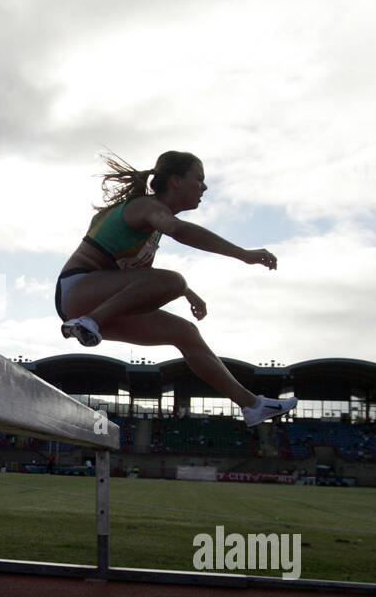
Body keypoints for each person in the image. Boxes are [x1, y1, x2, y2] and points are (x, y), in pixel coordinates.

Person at [56, 150, 297, 428]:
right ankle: (88, 323)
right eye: (199, 179)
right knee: (174, 280)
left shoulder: (150, 226)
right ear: (176, 181)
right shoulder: (146, 207)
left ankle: (252, 405)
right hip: (77, 288)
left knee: (185, 332)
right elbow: (178, 230)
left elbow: (139, 278)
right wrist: (242, 254)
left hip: (97, 299)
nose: (204, 187)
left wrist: (186, 292)